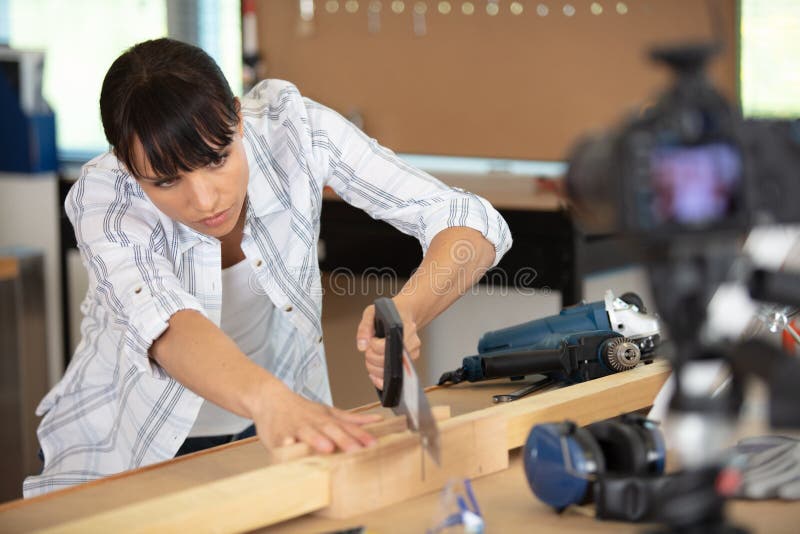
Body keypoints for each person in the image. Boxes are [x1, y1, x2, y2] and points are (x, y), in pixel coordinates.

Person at [23, 38, 511, 497]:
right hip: (127, 444)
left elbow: (468, 223)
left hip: (269, 426)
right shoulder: (105, 198)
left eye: (217, 159)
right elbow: (167, 327)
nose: (205, 199)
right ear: (128, 169)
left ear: (237, 116)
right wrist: (271, 401)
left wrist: (408, 311)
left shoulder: (292, 128)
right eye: (167, 181)